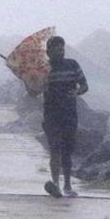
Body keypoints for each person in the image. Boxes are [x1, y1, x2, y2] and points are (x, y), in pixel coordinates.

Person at [42, 35, 88, 198]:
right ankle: (55, 184)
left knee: (67, 150)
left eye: (61, 48)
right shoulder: (43, 69)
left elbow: (84, 85)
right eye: (56, 49)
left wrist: (77, 91)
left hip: (69, 113)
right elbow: (33, 91)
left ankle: (67, 184)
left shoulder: (72, 65)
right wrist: (31, 83)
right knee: (55, 149)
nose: (59, 52)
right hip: (51, 114)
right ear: (48, 52)